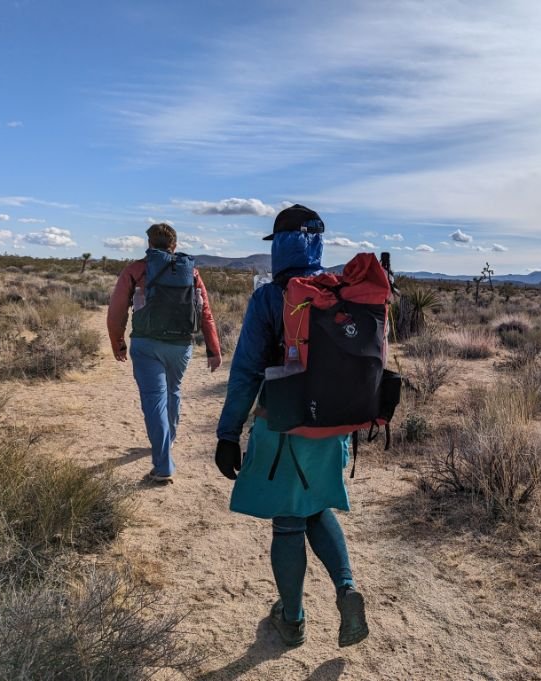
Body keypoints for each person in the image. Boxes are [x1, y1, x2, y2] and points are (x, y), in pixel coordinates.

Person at [214, 204, 368, 649]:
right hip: (332, 423)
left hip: (281, 423)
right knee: (317, 507)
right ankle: (345, 587)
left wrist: (228, 433)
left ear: (280, 245)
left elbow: (245, 372)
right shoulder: (339, 292)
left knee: (287, 522)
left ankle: (293, 619)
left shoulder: (269, 298)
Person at [107, 222, 222, 482]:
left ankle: (163, 466)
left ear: (149, 244)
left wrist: (118, 343)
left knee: (154, 399)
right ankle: (167, 440)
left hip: (146, 344)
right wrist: (214, 349)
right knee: (173, 392)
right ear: (175, 245)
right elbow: (205, 312)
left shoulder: (136, 270)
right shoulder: (190, 271)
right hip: (181, 345)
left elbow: (116, 311)